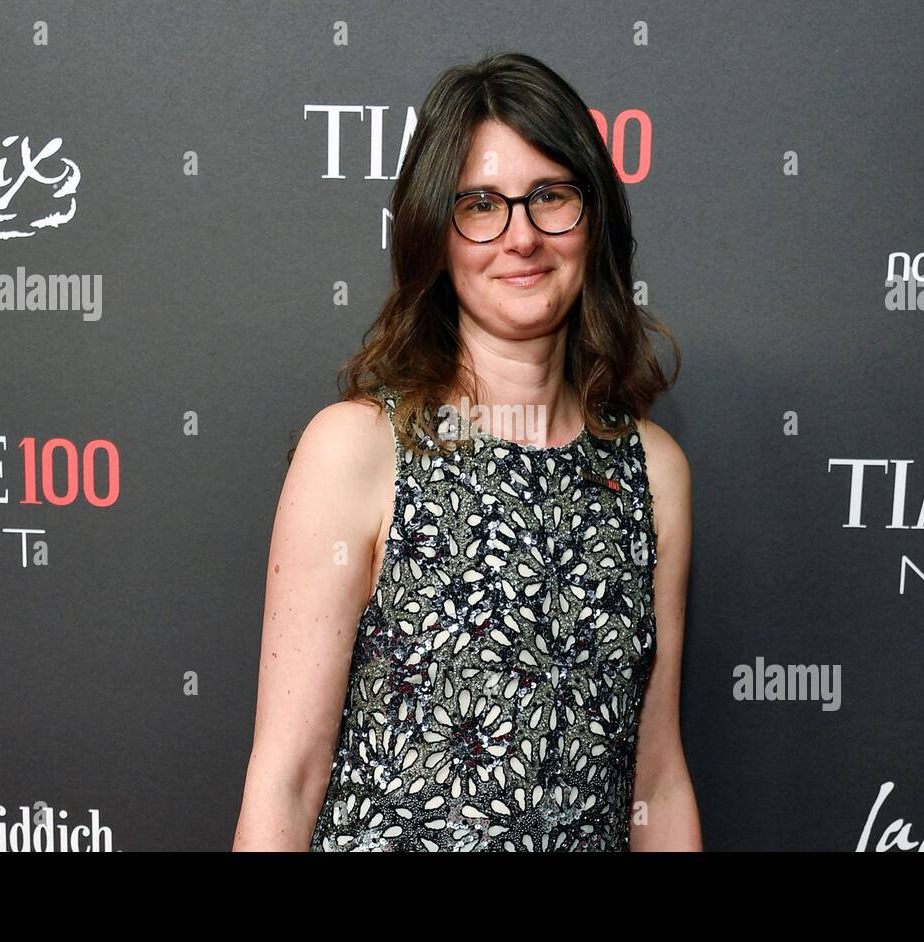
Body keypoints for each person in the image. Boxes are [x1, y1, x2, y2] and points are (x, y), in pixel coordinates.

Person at [232, 51, 700, 851]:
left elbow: (654, 779)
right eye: (480, 206)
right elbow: (286, 779)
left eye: (550, 196)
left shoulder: (652, 472)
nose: (520, 236)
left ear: (594, 218)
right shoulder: (359, 449)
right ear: (435, 236)